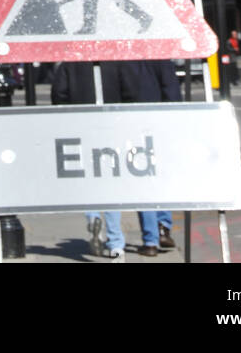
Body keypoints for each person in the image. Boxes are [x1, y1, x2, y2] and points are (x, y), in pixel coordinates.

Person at [51, 59, 178, 260]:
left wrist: (69, 120)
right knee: (126, 182)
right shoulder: (117, 61)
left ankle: (94, 219)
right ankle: (131, 240)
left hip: (81, 125)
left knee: (91, 179)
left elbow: (59, 95)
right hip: (113, 127)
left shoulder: (69, 63)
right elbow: (131, 93)